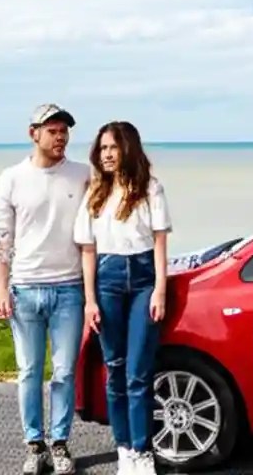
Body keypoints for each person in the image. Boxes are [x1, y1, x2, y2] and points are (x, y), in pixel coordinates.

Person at [0, 103, 91, 475]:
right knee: (29, 370)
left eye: (65, 130)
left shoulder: (83, 174)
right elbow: (2, 238)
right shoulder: (11, 178)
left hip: (68, 288)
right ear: (33, 133)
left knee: (64, 371)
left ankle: (60, 442)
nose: (61, 136)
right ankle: (35, 444)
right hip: (25, 288)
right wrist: (1, 289)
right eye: (53, 130)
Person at [73, 120, 172, 475]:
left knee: (138, 373)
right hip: (108, 280)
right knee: (114, 369)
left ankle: (143, 451)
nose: (108, 155)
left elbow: (160, 241)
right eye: (102, 149)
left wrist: (160, 289)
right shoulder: (95, 195)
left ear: (128, 148)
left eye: (113, 147)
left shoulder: (150, 189)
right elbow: (87, 251)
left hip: (145, 279)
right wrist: (90, 301)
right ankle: (125, 449)